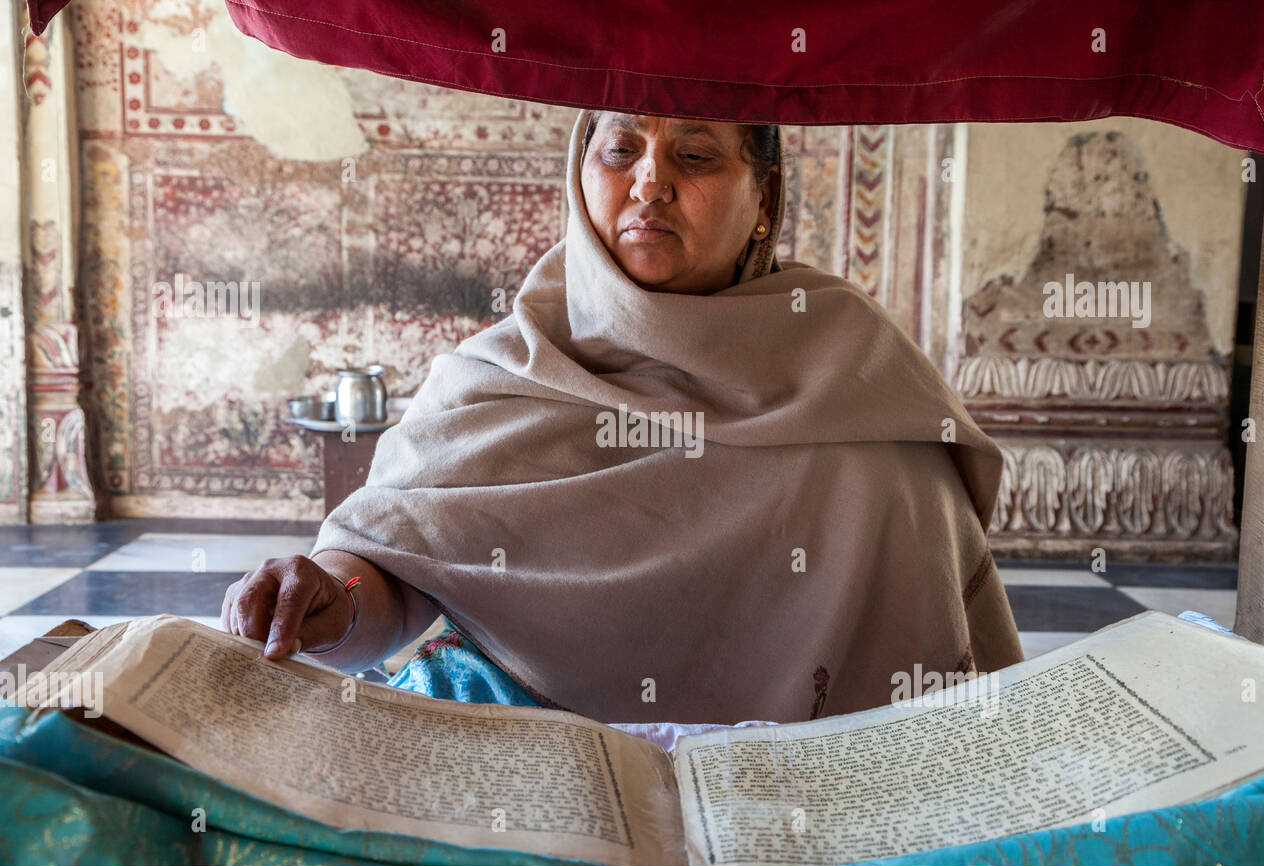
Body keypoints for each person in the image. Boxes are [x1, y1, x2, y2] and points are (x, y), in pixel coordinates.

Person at [222, 108, 1023, 725]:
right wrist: (331, 600)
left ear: (765, 198)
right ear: (582, 174)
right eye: (620, 151)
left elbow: (928, 693)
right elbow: (390, 585)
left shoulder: (856, 385)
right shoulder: (500, 375)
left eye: (697, 155)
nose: (650, 183)